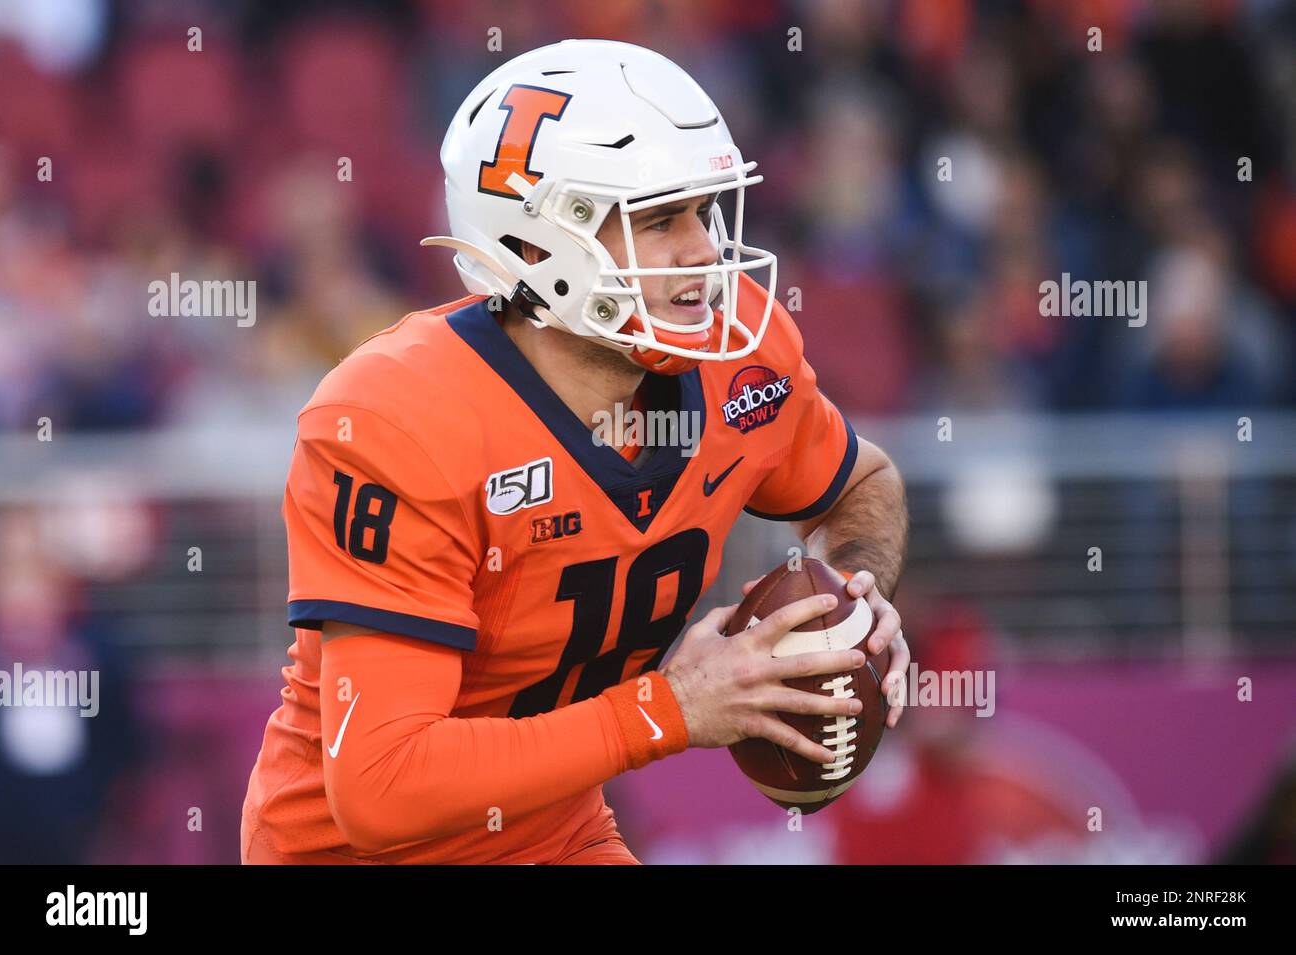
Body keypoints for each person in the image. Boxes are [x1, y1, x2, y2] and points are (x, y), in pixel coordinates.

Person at [241, 39, 909, 864]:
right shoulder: (399, 418)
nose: (702, 251)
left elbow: (861, 482)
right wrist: (667, 708)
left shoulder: (741, 362)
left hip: (554, 837)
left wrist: (858, 589)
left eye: (705, 211)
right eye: (661, 219)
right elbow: (383, 783)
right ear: (534, 245)